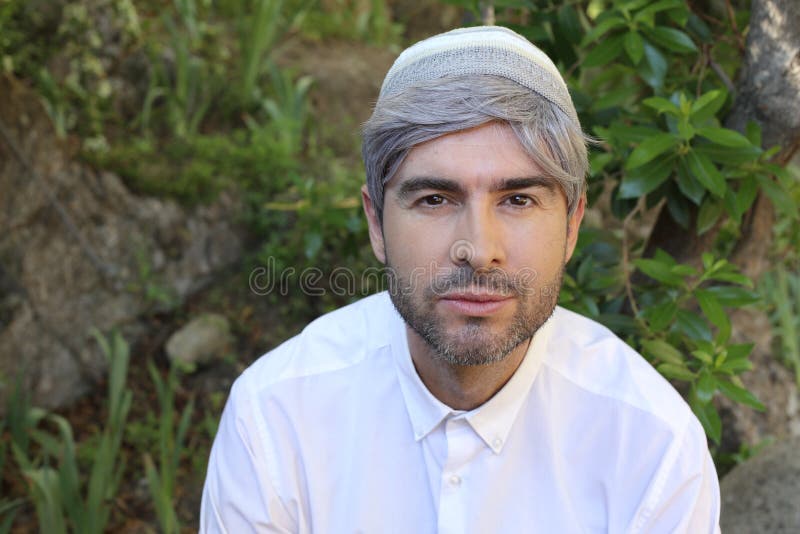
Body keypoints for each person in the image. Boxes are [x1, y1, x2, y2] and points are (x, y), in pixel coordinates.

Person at [200, 26, 721, 533]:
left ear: (572, 226)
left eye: (518, 200)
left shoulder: (652, 448)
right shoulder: (274, 419)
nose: (477, 249)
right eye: (434, 199)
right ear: (376, 223)